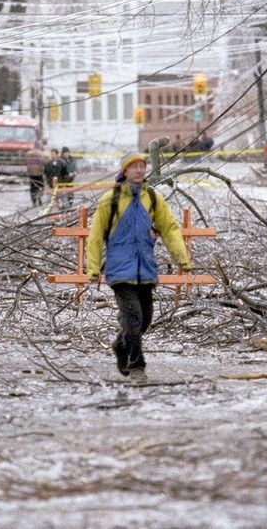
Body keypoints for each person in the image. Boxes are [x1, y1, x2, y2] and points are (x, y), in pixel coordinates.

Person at [86, 152, 191, 382]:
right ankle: (137, 366)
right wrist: (92, 268)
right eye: (134, 166)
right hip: (119, 270)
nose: (139, 170)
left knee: (144, 320)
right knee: (133, 317)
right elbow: (95, 236)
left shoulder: (153, 198)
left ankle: (120, 345)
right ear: (124, 171)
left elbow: (170, 228)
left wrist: (181, 258)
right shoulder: (109, 200)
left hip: (145, 269)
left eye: (142, 166)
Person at [25, 142, 46, 207]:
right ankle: (39, 198)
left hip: (31, 174)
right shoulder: (42, 154)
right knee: (40, 187)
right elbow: (44, 162)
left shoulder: (28, 153)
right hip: (39, 173)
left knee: (32, 188)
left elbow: (26, 163)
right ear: (39, 146)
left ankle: (34, 201)